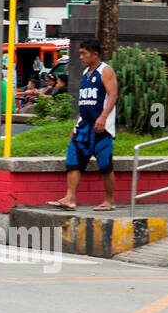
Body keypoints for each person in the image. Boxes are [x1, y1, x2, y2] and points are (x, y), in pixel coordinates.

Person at [47, 39, 119, 211]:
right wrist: (76, 124)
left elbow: (113, 95)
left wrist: (103, 117)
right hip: (84, 125)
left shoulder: (105, 71)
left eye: (83, 53)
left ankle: (109, 201)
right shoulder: (86, 72)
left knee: (105, 164)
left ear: (95, 54)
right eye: (80, 53)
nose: (80, 57)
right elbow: (84, 102)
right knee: (73, 160)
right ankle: (70, 198)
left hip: (100, 126)